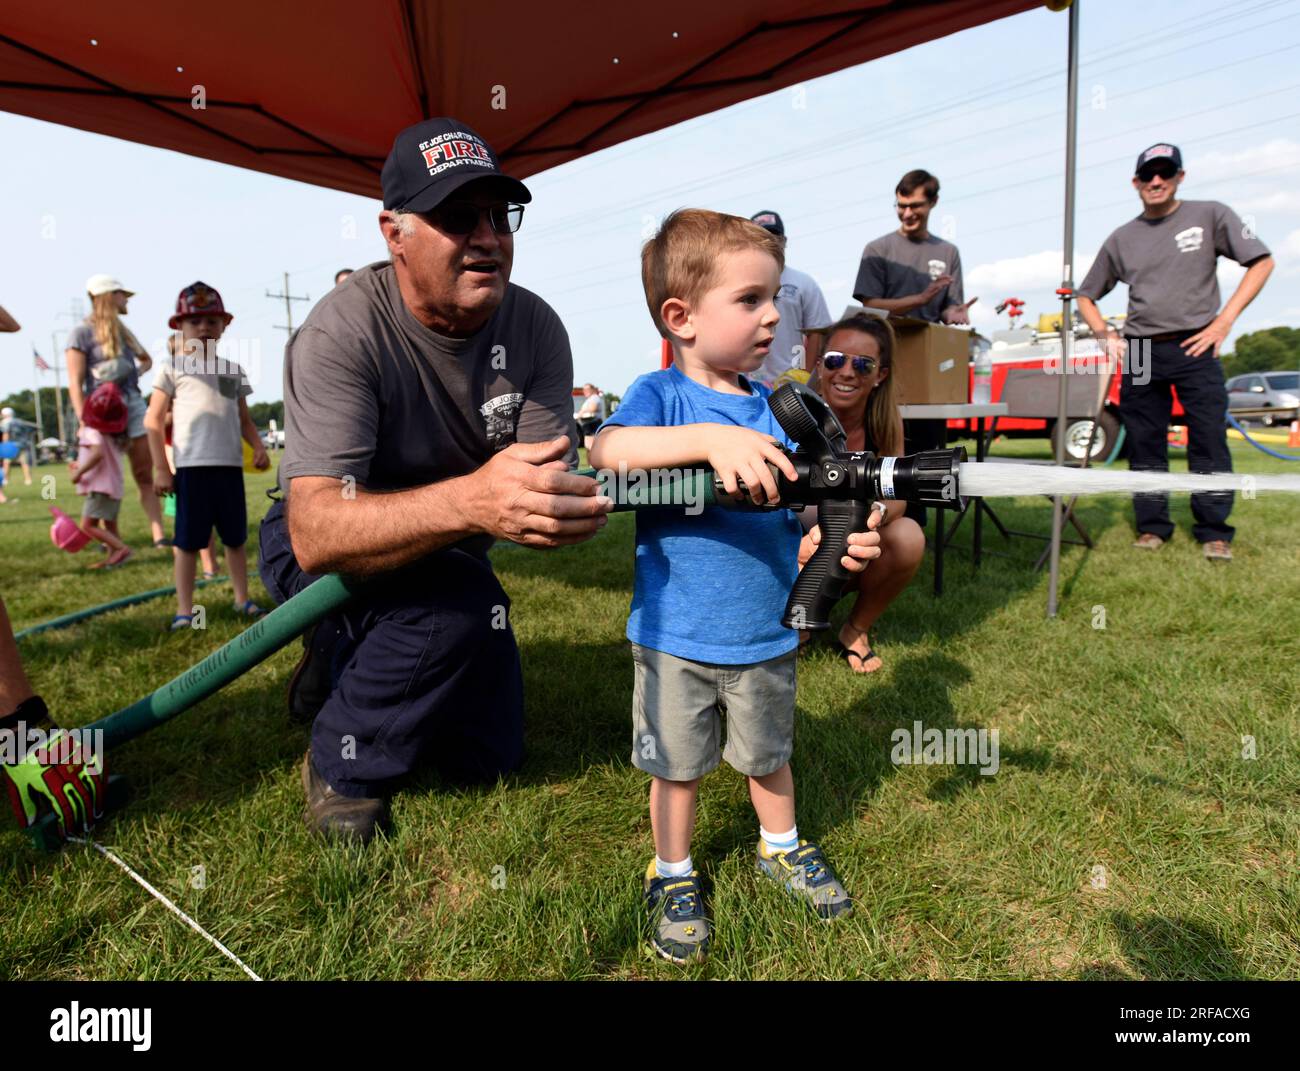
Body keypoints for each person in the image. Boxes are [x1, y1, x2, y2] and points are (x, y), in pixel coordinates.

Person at [258, 117, 611, 843]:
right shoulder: (342, 330)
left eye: (499, 213)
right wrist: (473, 498)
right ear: (395, 233)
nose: (487, 236)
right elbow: (318, 531)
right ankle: (340, 762)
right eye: (457, 216)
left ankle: (344, 655)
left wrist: (560, 509)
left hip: (447, 547)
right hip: (316, 543)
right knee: (453, 605)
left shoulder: (536, 326)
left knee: (490, 754)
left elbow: (541, 491)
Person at [589, 209, 881, 964]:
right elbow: (609, 450)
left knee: (767, 753)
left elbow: (809, 500)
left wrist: (828, 532)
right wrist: (711, 440)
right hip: (674, 635)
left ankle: (779, 847)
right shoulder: (662, 396)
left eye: (775, 296)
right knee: (676, 767)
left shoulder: (781, 407)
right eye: (750, 299)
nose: (775, 314)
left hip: (764, 630)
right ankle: (674, 872)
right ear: (680, 317)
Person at [1076, 143, 1274, 563]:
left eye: (1165, 173)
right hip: (1142, 349)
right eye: (1148, 175)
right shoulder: (1121, 238)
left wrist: (1224, 322)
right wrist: (1104, 334)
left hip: (1195, 342)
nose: (1156, 181)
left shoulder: (1209, 214)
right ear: (1136, 182)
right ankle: (1152, 527)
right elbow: (1086, 295)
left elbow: (1262, 262)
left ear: (1180, 176)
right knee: (1146, 443)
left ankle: (1214, 530)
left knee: (1208, 439)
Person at [803, 314, 925, 673]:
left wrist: (876, 516)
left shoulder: (885, 420)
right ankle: (797, 619)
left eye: (863, 364)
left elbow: (899, 494)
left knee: (908, 535)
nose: (846, 372)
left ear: (880, 375)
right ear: (820, 363)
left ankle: (855, 630)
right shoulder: (795, 413)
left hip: (853, 544)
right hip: (791, 550)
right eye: (836, 359)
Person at [145, 282, 269, 630]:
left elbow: (243, 419)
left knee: (235, 538)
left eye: (212, 322)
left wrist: (257, 445)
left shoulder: (231, 371)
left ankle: (242, 599)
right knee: (187, 542)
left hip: (228, 468)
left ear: (225, 325)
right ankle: (185, 610)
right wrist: (160, 467)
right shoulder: (172, 368)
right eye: (195, 322)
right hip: (190, 469)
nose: (203, 328)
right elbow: (153, 420)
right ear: (179, 327)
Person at [65, 275, 169, 547]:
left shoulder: (124, 331)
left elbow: (145, 359)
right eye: (122, 294)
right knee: (104, 475)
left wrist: (130, 372)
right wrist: (82, 420)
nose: (126, 300)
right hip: (100, 412)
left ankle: (158, 535)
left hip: (132, 404)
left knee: (144, 473)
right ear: (108, 296)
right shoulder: (80, 332)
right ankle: (111, 538)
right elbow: (75, 383)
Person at [853, 170, 976, 325]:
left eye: (915, 206)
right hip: (886, 342)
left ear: (933, 201)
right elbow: (871, 306)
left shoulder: (949, 252)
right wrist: (920, 299)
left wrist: (953, 313)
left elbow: (949, 308)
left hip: (930, 343)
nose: (907, 214)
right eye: (902, 206)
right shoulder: (877, 250)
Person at [748, 211, 832, 385]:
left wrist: (804, 376)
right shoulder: (739, 282)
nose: (768, 242)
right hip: (748, 378)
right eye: (760, 237)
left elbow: (817, 332)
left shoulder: (803, 283)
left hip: (790, 379)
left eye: (773, 236)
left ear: (784, 241)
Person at [69, 383, 133, 568]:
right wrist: (79, 464)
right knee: (110, 525)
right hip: (112, 485)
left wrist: (79, 472)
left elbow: (97, 454)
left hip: (100, 487)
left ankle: (121, 549)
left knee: (88, 526)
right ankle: (114, 559)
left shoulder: (91, 431)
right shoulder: (111, 434)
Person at [1, 407, 35, 486]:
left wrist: (5, 445)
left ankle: (5, 479)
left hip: (11, 445)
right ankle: (28, 480)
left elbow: (6, 433)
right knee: (24, 463)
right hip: (23, 445)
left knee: (7, 462)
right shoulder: (20, 421)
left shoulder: (5, 422)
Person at [575, 383, 605, 448]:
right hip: (587, 424)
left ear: (592, 390)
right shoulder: (589, 399)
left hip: (593, 423)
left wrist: (581, 412)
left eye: (587, 389)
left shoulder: (595, 398)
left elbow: (593, 408)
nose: (585, 391)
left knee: (591, 446)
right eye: (584, 390)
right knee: (588, 446)